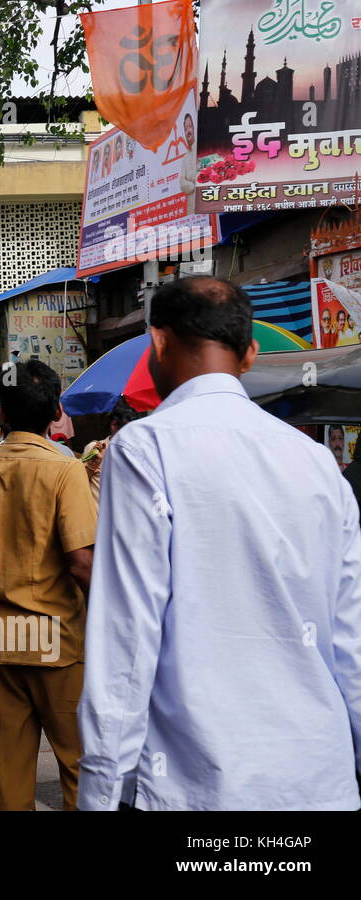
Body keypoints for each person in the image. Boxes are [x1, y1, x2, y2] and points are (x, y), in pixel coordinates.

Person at [79, 277, 361, 811]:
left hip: (199, 785)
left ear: (157, 342)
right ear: (251, 354)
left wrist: (99, 790)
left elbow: (128, 633)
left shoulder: (146, 447)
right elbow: (352, 637)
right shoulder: (318, 462)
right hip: (317, 781)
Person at [0, 358, 96, 811]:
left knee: (11, 772)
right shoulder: (66, 470)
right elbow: (80, 563)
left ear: (0, 413)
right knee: (78, 765)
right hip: (57, 639)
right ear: (57, 411)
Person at [80, 400, 141, 505]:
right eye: (128, 429)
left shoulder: (137, 451)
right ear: (114, 425)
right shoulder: (94, 449)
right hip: (97, 517)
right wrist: (93, 464)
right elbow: (79, 482)